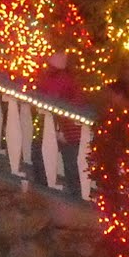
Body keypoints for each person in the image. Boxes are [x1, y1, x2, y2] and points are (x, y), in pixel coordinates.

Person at [34, 51, 87, 198]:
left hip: (66, 128)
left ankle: (73, 194)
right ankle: (75, 193)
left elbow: (51, 97)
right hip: (62, 127)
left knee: (64, 161)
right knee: (66, 162)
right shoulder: (66, 80)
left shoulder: (62, 80)